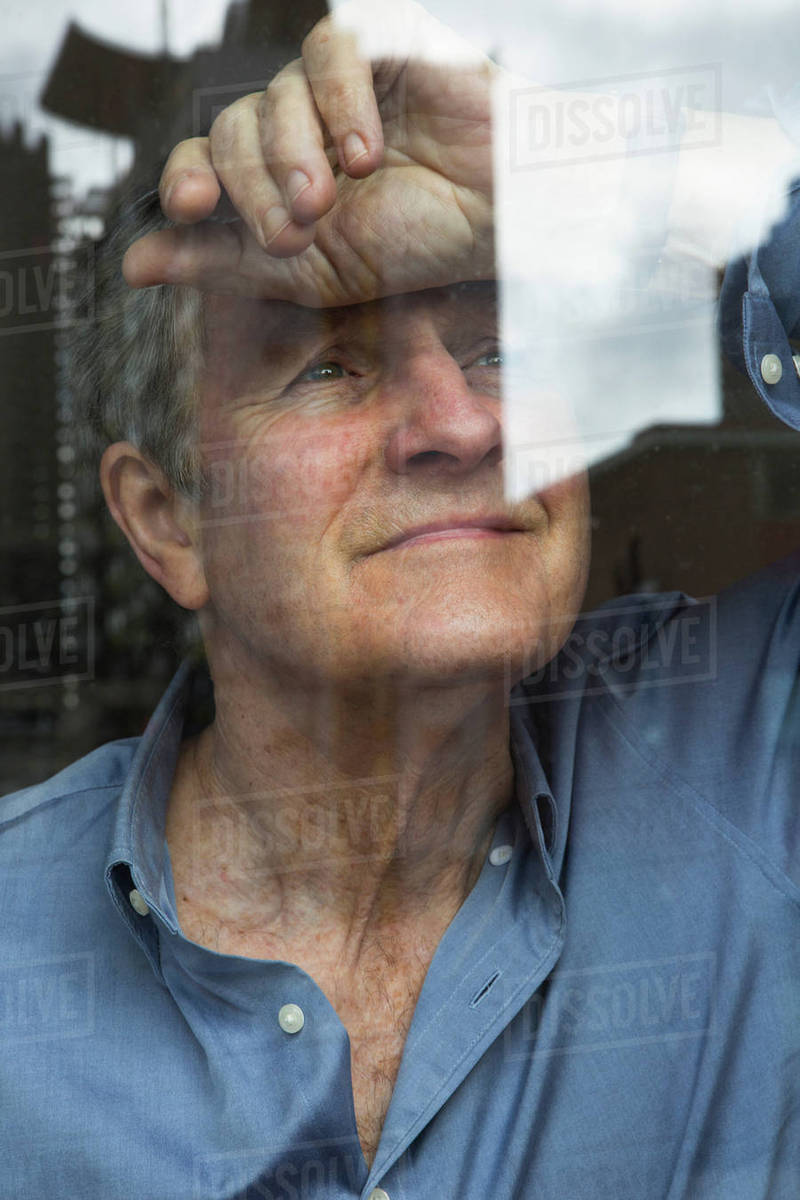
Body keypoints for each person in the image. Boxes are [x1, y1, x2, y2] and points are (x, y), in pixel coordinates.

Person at [1, 5, 799, 1197]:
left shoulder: (752, 765)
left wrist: (648, 178)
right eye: (326, 364)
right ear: (169, 522)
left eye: (499, 350)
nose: (463, 424)